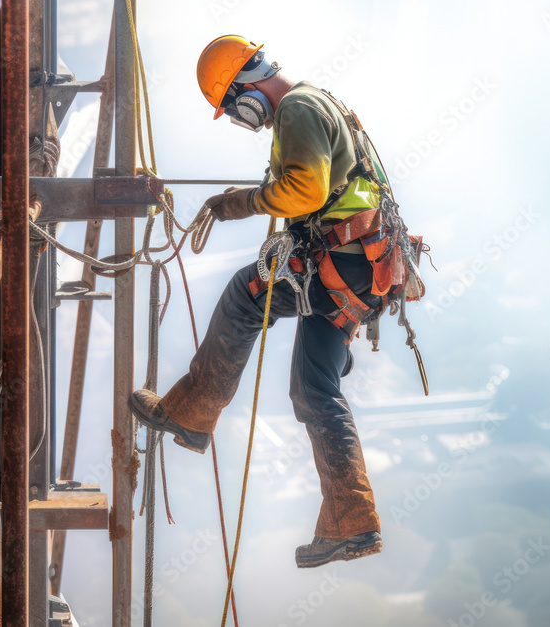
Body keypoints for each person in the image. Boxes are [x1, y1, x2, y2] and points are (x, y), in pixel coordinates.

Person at [129, 34, 402, 568]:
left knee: (243, 295)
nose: (238, 120)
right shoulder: (318, 105)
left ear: (245, 92)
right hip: (363, 268)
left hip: (343, 259)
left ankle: (191, 413)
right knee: (314, 390)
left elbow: (306, 190)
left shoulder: (299, 107)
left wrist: (243, 203)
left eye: (232, 109)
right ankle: (353, 522)